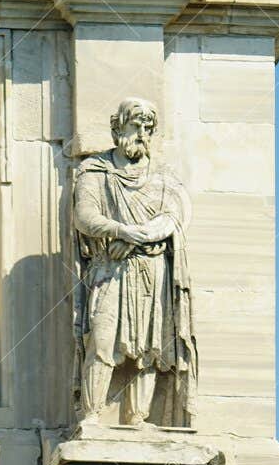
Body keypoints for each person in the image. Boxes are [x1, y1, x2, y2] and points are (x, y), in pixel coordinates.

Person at [73, 96, 197, 426]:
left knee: (149, 349)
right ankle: (92, 414)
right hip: (109, 269)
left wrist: (132, 238)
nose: (142, 133)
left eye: (148, 128)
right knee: (101, 341)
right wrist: (122, 230)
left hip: (152, 268)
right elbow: (84, 217)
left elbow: (174, 218)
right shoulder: (96, 171)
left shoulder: (164, 176)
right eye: (135, 125)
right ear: (117, 128)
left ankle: (138, 418)